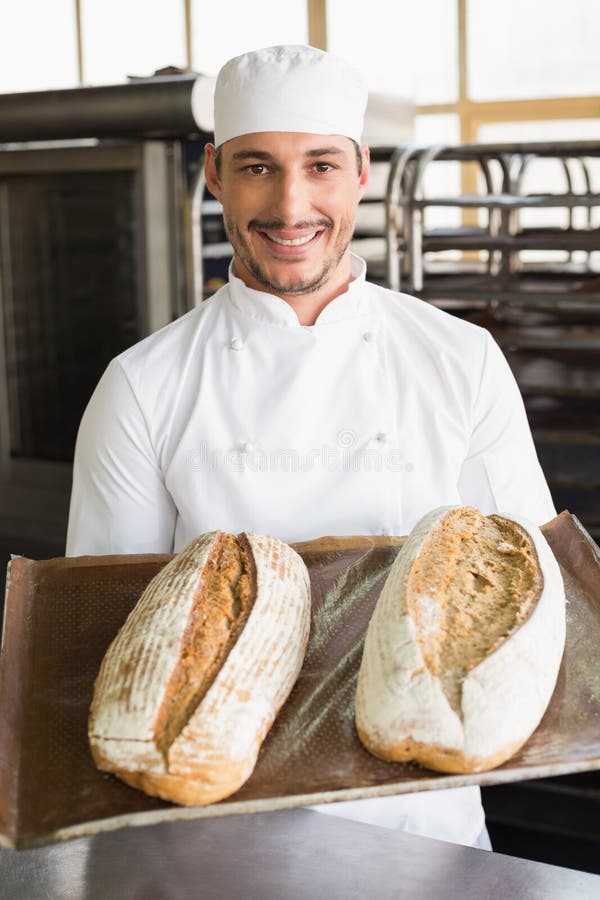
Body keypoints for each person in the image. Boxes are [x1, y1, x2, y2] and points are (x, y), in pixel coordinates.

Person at [66, 45, 556, 850]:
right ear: (216, 174)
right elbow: (101, 642)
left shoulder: (458, 360)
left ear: (361, 170)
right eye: (258, 167)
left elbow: (536, 605)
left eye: (320, 166)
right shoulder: (142, 386)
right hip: (207, 836)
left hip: (423, 823)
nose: (291, 206)